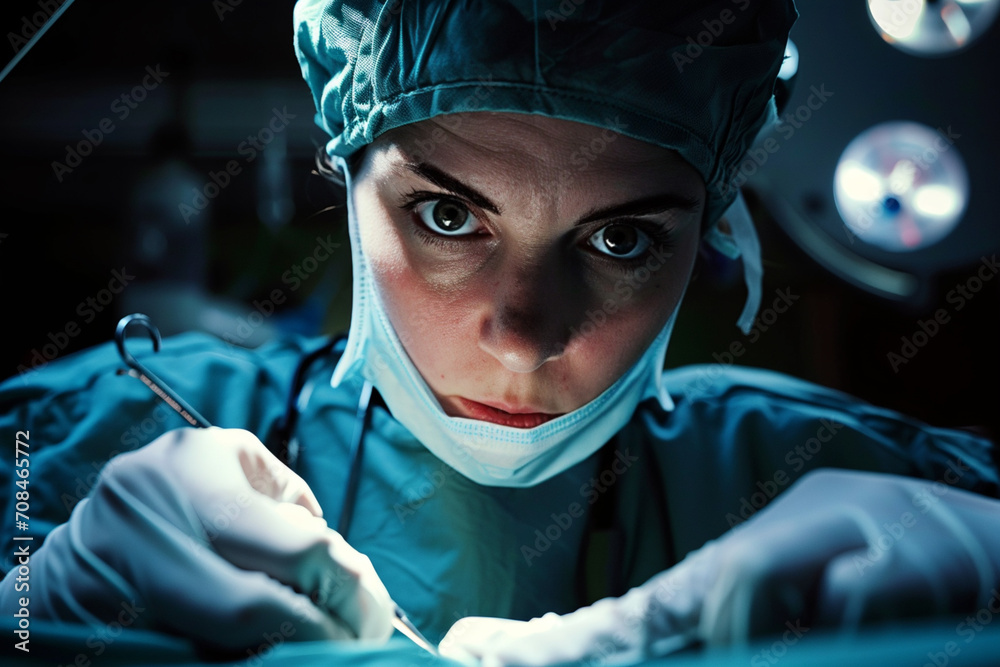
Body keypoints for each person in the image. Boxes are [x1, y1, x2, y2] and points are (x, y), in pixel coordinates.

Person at [2, 0, 999, 665]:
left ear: (712, 231)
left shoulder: (796, 468)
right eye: (447, 217)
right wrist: (30, 604)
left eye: (618, 238)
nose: (525, 336)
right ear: (344, 179)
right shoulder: (86, 439)